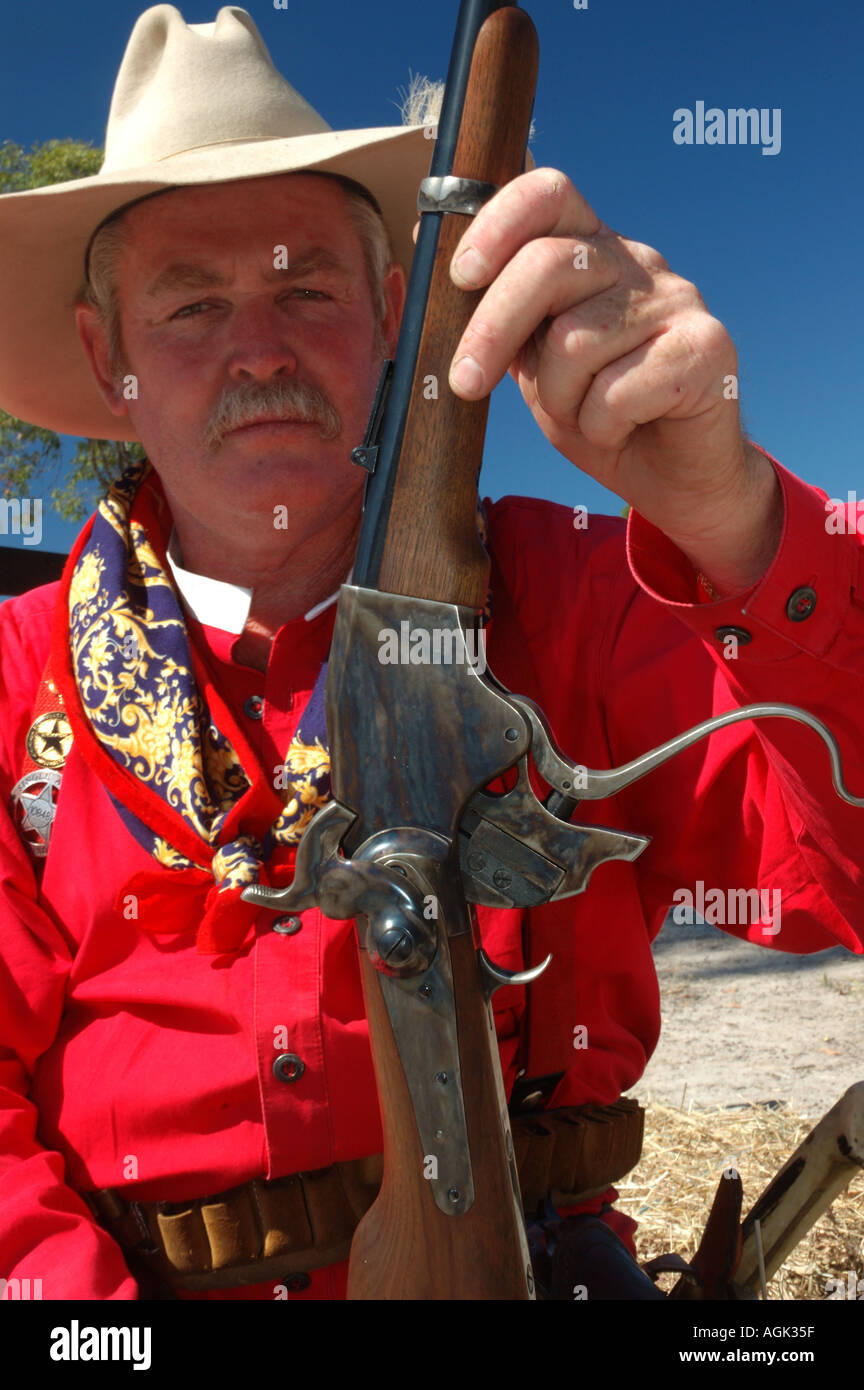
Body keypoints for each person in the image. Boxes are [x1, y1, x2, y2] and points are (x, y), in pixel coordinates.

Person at [0, 5, 861, 1302]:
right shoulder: (15, 674)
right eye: (189, 305)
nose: (260, 347)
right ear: (104, 354)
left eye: (307, 288)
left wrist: (743, 524)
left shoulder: (580, 591)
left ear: (396, 312)